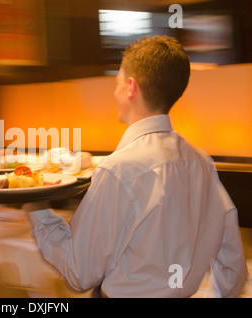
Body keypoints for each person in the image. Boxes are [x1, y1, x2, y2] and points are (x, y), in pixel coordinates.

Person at [23, 35, 248, 298]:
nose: (114, 91)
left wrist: (34, 204)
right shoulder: (202, 163)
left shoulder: (118, 170)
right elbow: (232, 265)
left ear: (131, 87)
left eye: (117, 82)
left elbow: (79, 274)